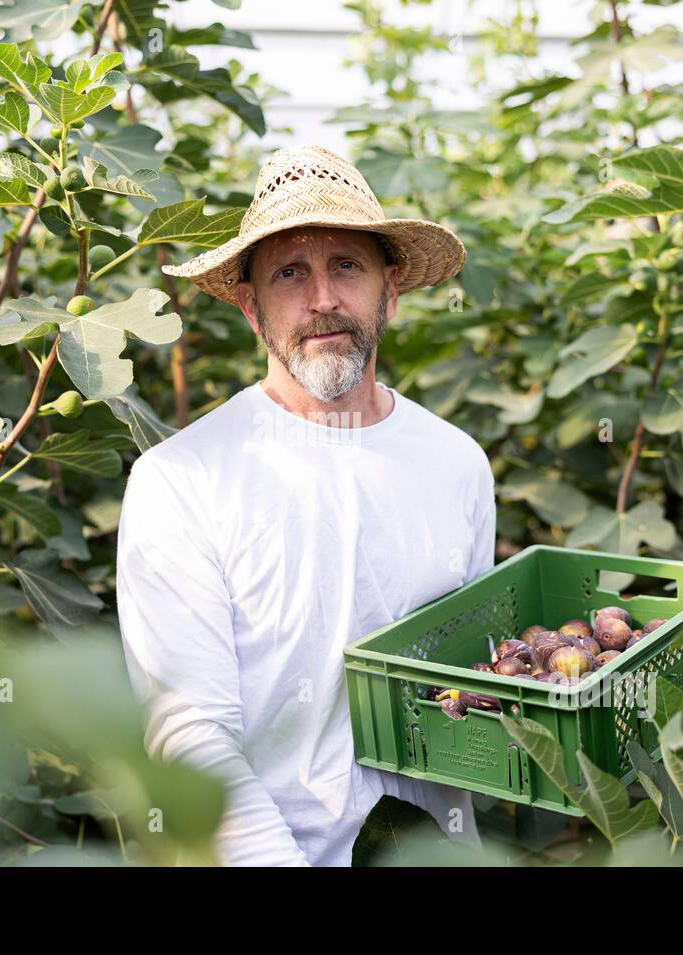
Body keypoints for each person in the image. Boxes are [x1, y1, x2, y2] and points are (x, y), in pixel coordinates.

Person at [114, 145, 497, 866]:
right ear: (253, 310)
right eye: (290, 273)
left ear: (389, 292)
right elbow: (190, 731)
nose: (322, 299)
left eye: (346, 266)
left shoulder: (457, 464)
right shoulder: (183, 480)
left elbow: (464, 687)